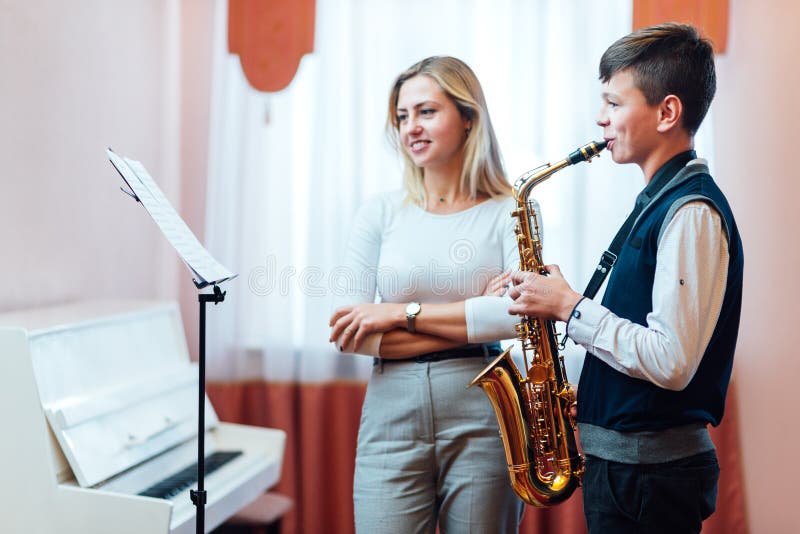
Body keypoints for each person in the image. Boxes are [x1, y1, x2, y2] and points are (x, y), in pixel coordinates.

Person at [508, 23, 744, 533]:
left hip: (650, 476)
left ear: (667, 113)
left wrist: (570, 307)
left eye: (614, 104)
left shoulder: (690, 212)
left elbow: (671, 360)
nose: (600, 119)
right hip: (633, 471)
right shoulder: (659, 200)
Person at [328, 56, 529, 533]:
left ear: (468, 118)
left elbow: (519, 318)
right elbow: (348, 331)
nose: (410, 128)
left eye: (426, 112)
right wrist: (474, 315)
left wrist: (397, 313)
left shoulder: (512, 210)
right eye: (402, 117)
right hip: (390, 413)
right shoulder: (378, 213)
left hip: (486, 410)